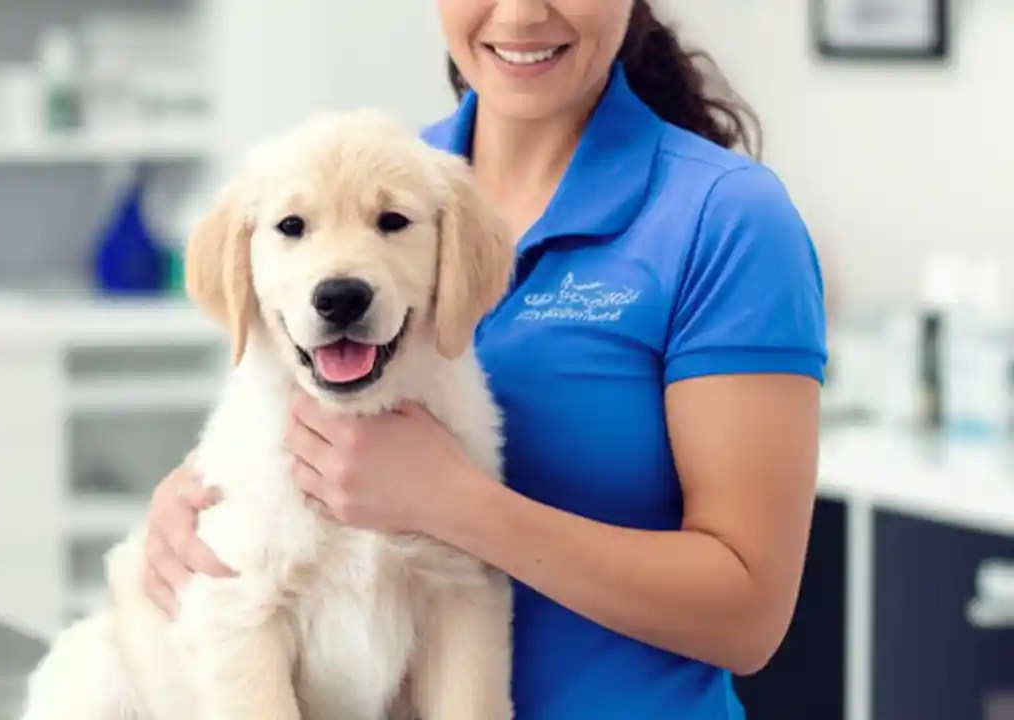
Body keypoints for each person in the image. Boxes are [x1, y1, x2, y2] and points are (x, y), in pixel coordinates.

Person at [141, 0, 827, 717]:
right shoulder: (385, 184)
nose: (524, 12)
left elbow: (748, 617)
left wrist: (459, 506)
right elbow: (290, 431)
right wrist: (191, 505)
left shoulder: (729, 220)